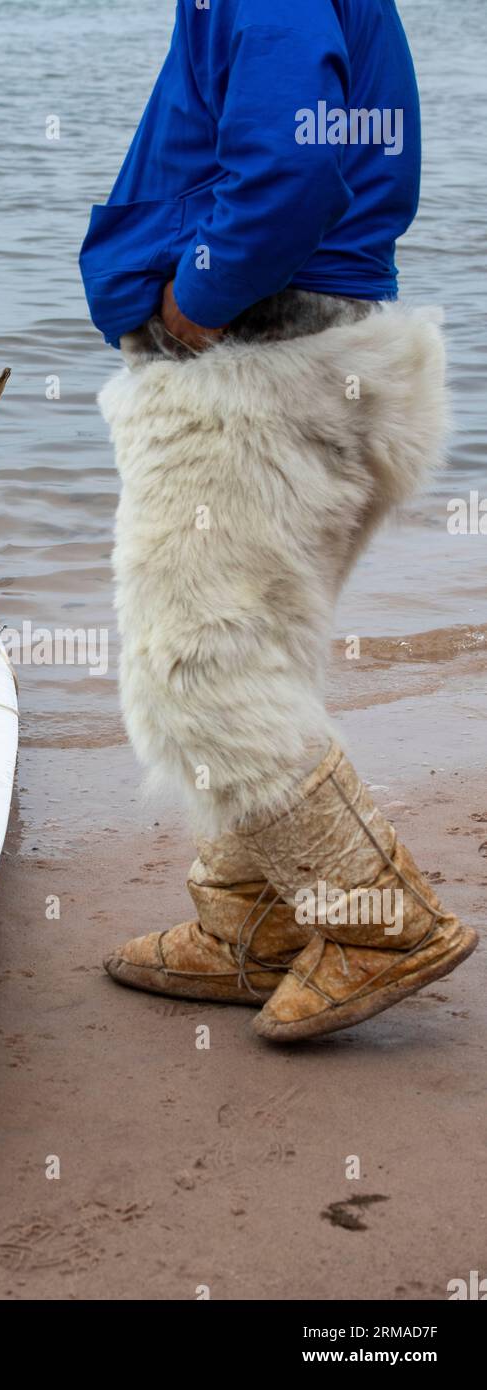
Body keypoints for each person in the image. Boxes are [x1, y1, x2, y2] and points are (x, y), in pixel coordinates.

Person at [79, 0, 477, 1041]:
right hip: (314, 357)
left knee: (201, 670)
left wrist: (190, 306)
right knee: (254, 660)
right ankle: (243, 926)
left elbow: (289, 166)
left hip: (253, 373)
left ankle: (376, 923)